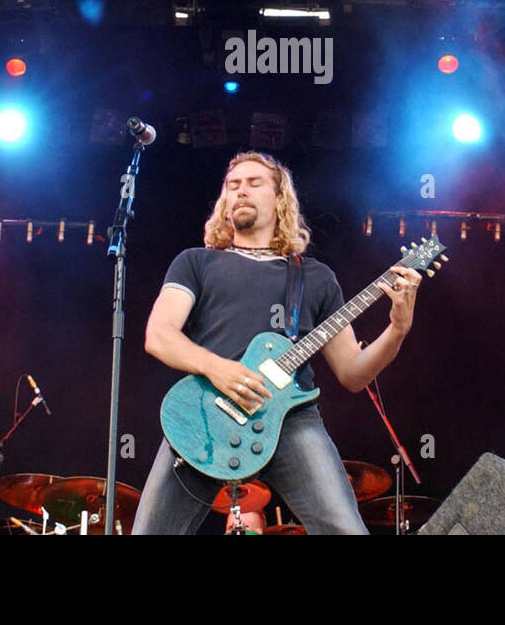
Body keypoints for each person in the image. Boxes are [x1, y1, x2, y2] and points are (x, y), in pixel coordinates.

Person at [131, 151, 424, 535]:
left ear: (280, 198)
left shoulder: (315, 278)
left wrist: (397, 329)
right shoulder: (196, 263)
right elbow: (159, 335)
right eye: (233, 186)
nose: (241, 192)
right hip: (205, 414)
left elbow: (353, 374)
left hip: (291, 420)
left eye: (254, 184)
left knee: (344, 529)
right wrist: (216, 368)